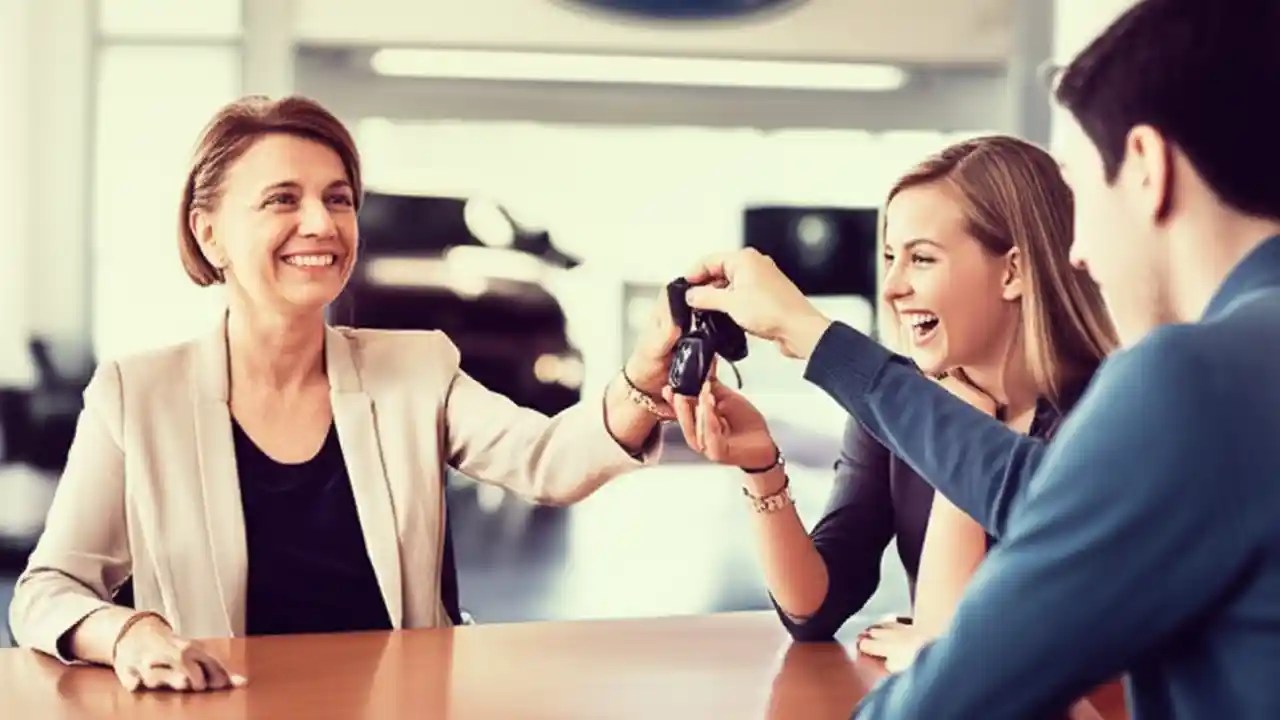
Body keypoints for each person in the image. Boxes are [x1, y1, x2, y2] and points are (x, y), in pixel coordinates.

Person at [680, 0, 1280, 717]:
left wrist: (813, 335)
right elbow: (1039, 491)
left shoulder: (1191, 381)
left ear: (1146, 167)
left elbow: (949, 698)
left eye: (1085, 194)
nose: (1080, 250)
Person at [8, 95, 681, 693]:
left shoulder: (418, 367)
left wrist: (646, 374)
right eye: (282, 199)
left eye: (337, 198)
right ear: (209, 232)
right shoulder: (138, 395)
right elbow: (46, 590)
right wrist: (127, 635)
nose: (322, 223)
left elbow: (547, 460)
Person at [665, 136, 1116, 674]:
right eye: (889, 258)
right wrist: (761, 467)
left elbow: (971, 659)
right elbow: (816, 608)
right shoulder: (893, 411)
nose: (894, 287)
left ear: (1013, 271)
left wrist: (938, 649)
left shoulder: (1107, 415)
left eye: (921, 258)